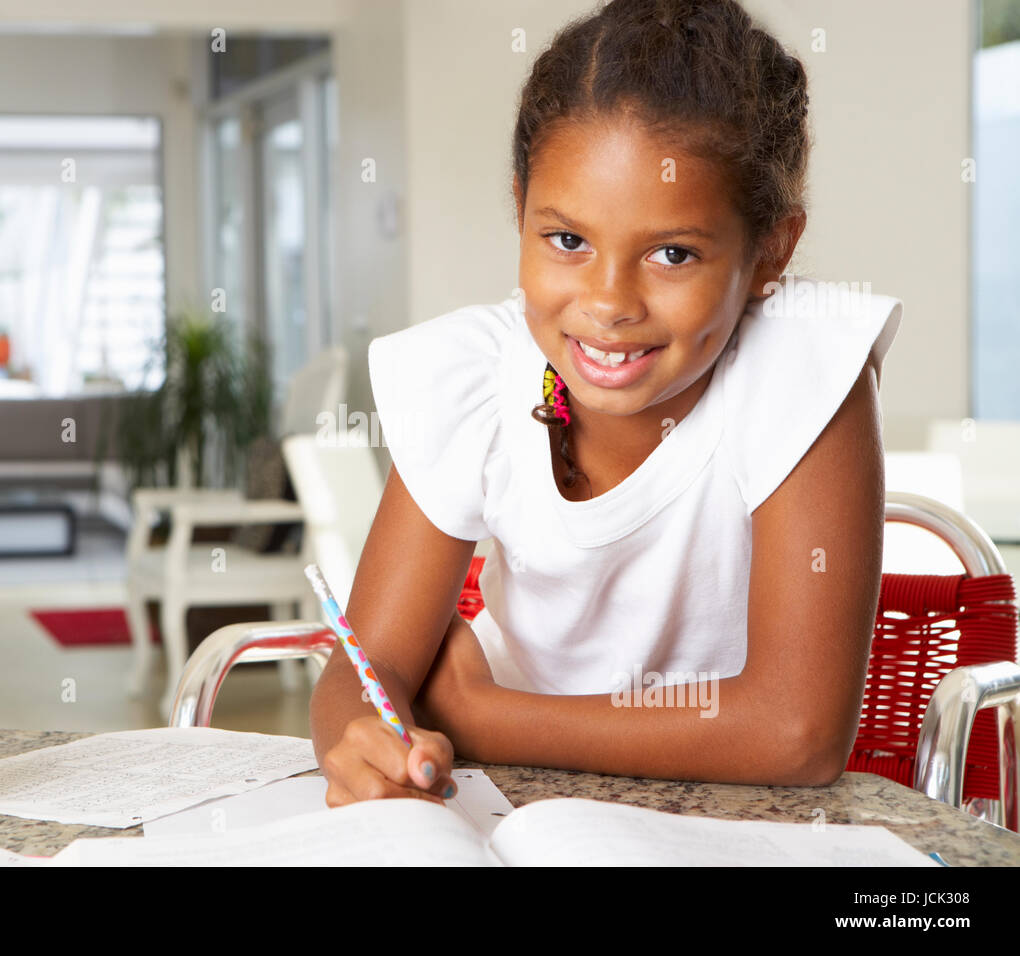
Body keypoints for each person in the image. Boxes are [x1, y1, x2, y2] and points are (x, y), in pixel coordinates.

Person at [311, 0, 902, 806]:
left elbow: (796, 732)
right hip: (497, 814)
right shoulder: (478, 377)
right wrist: (362, 744)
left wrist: (483, 715)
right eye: (567, 241)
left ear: (771, 251)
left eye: (672, 253)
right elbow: (368, 665)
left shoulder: (805, 368)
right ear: (519, 208)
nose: (609, 303)